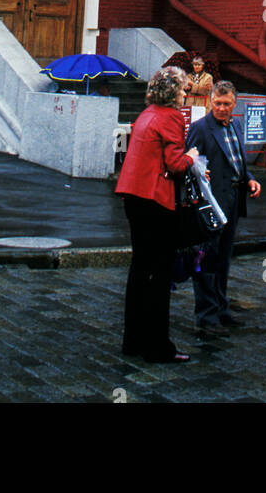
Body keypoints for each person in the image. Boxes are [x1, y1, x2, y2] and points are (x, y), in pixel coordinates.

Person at [114, 66, 200, 363]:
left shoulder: (146, 114)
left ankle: (133, 340)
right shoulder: (172, 117)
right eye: (183, 89)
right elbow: (175, 164)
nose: (185, 93)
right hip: (156, 201)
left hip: (132, 196)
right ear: (174, 91)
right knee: (161, 273)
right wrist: (193, 156)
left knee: (139, 269)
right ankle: (158, 347)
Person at [186, 81, 261, 335]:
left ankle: (221, 307)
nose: (221, 108)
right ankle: (206, 316)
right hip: (211, 204)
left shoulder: (236, 125)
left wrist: (249, 178)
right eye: (217, 103)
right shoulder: (200, 129)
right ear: (210, 102)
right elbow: (189, 162)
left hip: (233, 200)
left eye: (226, 104)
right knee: (207, 258)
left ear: (234, 104)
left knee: (224, 258)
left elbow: (237, 160)